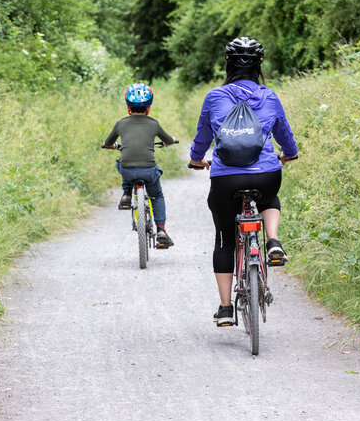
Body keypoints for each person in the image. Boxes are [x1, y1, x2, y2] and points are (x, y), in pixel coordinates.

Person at [188, 37, 298, 326]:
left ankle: (225, 308)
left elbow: (202, 136)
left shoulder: (214, 96)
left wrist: (196, 159)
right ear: (259, 65)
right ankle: (272, 239)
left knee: (224, 239)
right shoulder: (270, 96)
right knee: (269, 197)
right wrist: (289, 154)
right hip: (266, 175)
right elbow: (284, 135)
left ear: (228, 64)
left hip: (226, 179)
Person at [103, 83, 177, 248]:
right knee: (157, 195)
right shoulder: (154, 123)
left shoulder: (120, 123)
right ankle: (161, 230)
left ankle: (127, 194)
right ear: (148, 107)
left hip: (128, 171)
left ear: (128, 108)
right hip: (149, 171)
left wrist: (111, 146)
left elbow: (108, 142)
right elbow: (168, 140)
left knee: (121, 162)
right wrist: (170, 141)